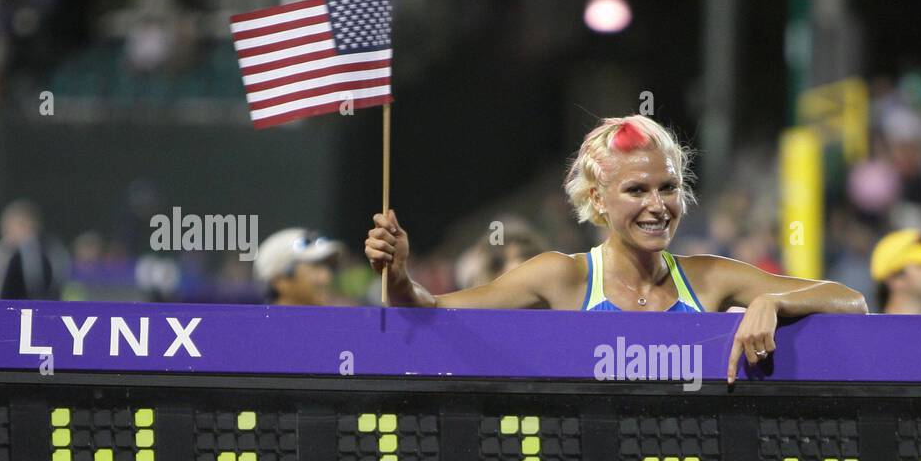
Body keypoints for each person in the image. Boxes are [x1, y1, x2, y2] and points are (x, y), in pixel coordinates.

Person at [366, 115, 868, 382]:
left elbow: (851, 301)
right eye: (636, 191)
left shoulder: (711, 277)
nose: (657, 205)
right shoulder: (560, 278)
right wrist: (398, 272)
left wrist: (772, 302)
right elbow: (428, 311)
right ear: (597, 201)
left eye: (667, 188)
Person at [0, 199, 70, 300]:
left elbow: (50, 284)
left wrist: (29, 250)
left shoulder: (49, 251)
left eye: (22, 225)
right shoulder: (2, 251)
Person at [254, 227, 343, 307]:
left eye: (329, 267)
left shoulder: (339, 323)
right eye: (315, 267)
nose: (327, 277)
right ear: (279, 281)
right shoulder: (256, 325)